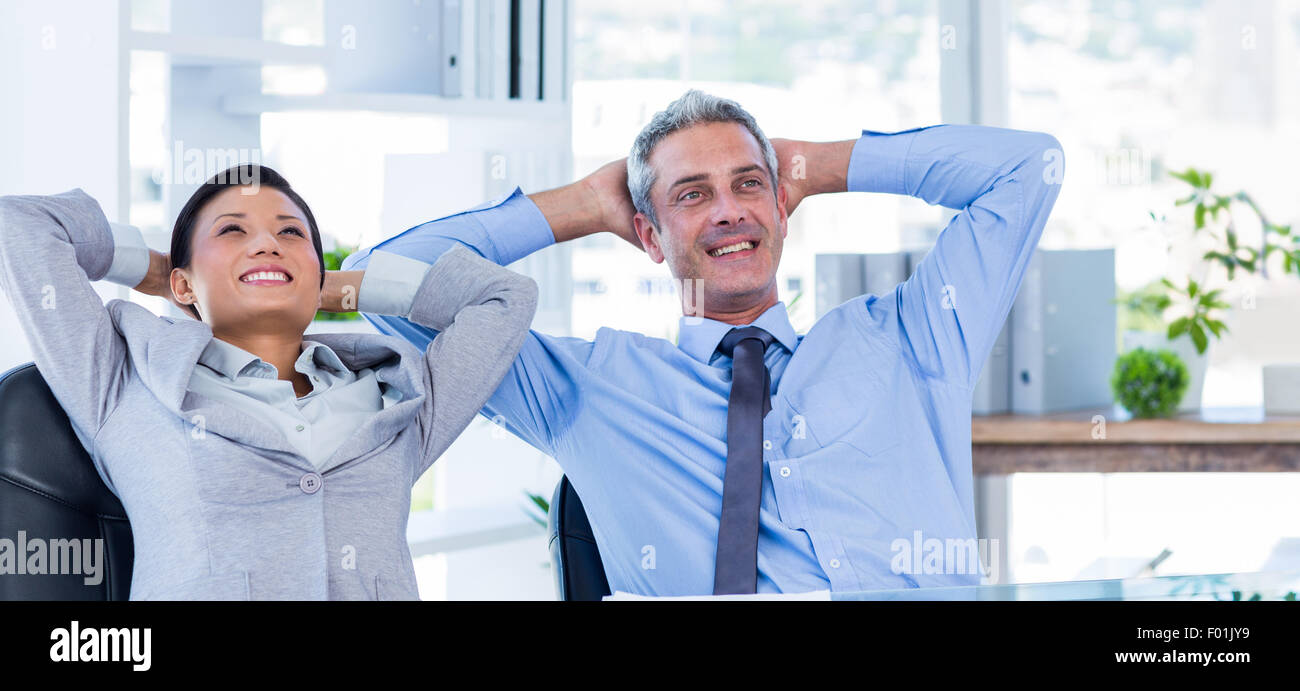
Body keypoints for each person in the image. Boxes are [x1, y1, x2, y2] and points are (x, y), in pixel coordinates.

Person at [334, 90, 1065, 596]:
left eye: (749, 184)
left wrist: (820, 164)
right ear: (648, 234)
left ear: (781, 207)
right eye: (691, 194)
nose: (728, 211)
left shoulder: (914, 340)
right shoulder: (586, 388)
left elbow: (1027, 169)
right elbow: (394, 281)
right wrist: (585, 205)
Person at [0, 165, 538, 600]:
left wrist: (331, 289)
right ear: (182, 284)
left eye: (290, 233)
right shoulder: (122, 382)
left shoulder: (402, 401)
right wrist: (157, 272)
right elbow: (22, 222)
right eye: (233, 230)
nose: (268, 244)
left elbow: (503, 299)